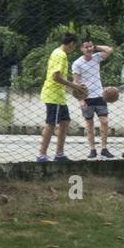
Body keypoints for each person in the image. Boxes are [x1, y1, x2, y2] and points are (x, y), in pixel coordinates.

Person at [38, 33, 79, 162]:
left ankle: (59, 154)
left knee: (65, 121)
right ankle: (42, 154)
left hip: (59, 96)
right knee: (51, 124)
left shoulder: (57, 52)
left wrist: (72, 87)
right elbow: (56, 77)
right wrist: (73, 85)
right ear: (71, 44)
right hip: (53, 95)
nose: (73, 50)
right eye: (74, 47)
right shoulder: (60, 55)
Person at [72, 39, 115, 159]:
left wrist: (96, 47)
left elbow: (110, 50)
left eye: (90, 46)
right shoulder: (77, 63)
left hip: (100, 96)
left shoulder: (97, 57)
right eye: (86, 47)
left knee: (104, 122)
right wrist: (81, 100)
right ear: (81, 49)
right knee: (89, 125)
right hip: (87, 98)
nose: (88, 49)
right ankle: (92, 149)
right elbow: (76, 83)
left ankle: (104, 148)